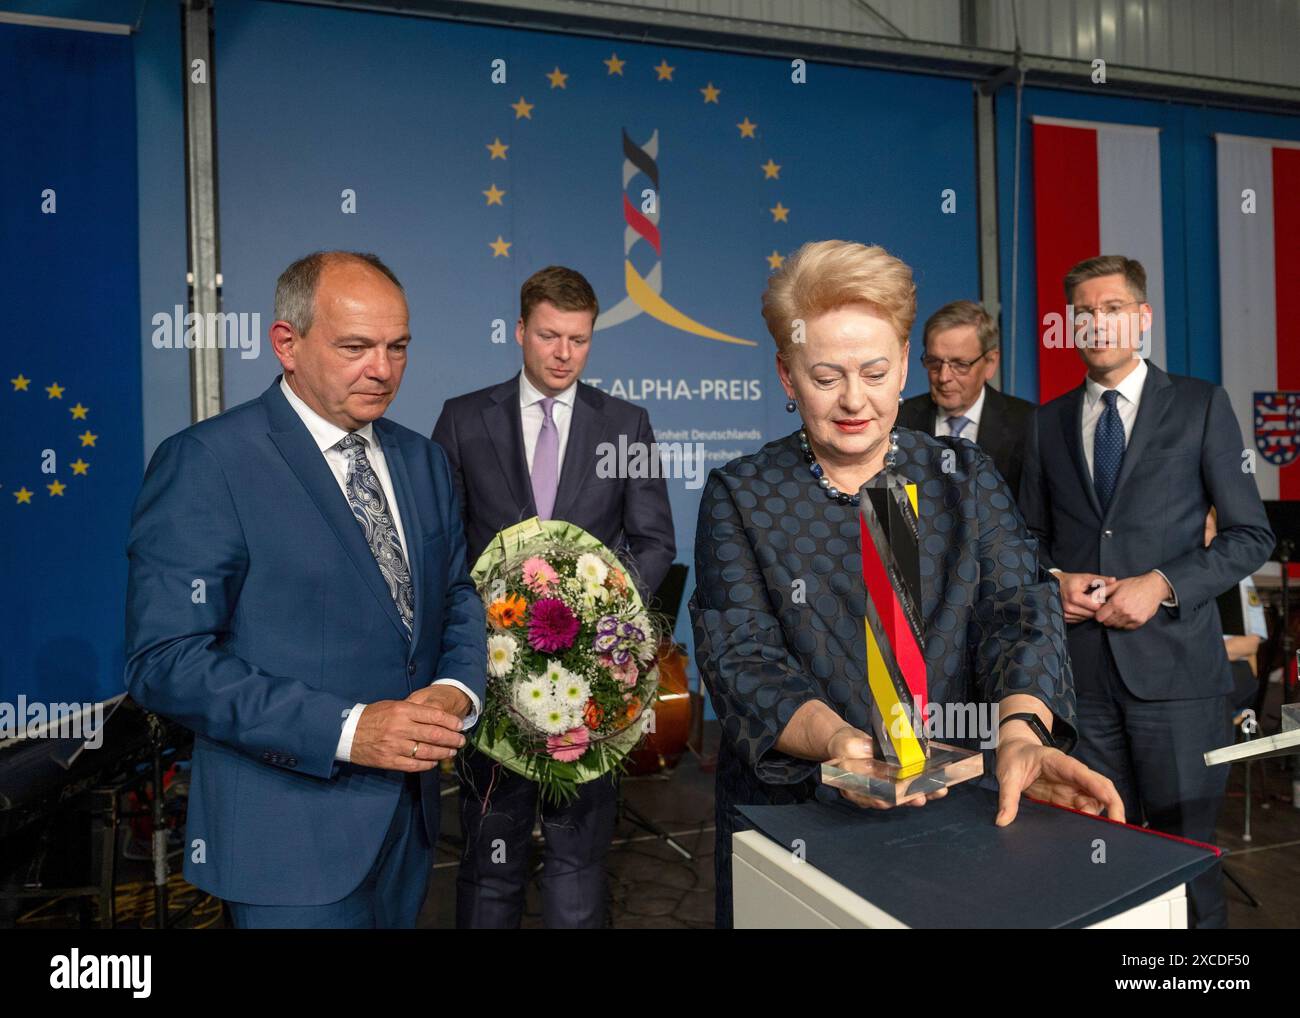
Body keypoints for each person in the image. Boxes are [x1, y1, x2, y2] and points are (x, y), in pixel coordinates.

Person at [690, 239, 1123, 929]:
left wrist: (1021, 732)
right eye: (827, 375)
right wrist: (838, 744)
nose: (854, 400)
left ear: (902, 374)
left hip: (956, 811)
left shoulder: (963, 475)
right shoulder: (742, 494)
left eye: (875, 371)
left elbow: (1020, 609)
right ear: (787, 375)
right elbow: (739, 654)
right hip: (799, 820)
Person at [125, 251, 486, 928]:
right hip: (285, 844)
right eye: (355, 346)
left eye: (397, 347)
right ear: (285, 344)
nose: (382, 369)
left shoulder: (423, 459)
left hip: (408, 832)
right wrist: (349, 730)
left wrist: (456, 691)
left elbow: (457, 594)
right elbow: (167, 660)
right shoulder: (208, 462)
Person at [1018, 254, 1274, 929]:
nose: (1097, 325)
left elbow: (1251, 536)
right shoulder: (1045, 425)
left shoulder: (1199, 405)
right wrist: (1055, 582)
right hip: (1082, 680)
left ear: (1142, 318)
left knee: (1185, 867)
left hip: (1179, 681)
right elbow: (1026, 542)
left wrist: (1162, 584)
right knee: (1096, 858)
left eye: (1111, 310)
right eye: (1084, 313)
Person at [432, 265, 675, 928]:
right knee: (489, 864)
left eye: (579, 339)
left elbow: (655, 543)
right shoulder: (461, 420)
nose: (564, 353)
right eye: (549, 336)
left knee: (576, 862)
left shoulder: (626, 424)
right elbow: (443, 549)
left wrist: (604, 625)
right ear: (519, 333)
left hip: (592, 687)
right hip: (492, 678)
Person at [896, 299, 1035, 494]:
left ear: (990, 363)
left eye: (960, 364)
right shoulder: (899, 420)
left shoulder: (1029, 425)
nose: (944, 377)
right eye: (934, 362)